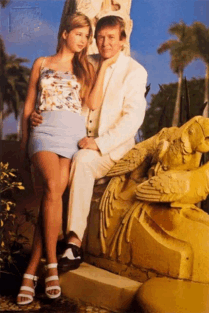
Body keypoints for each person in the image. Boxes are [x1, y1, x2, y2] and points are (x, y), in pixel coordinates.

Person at [30, 15, 148, 273]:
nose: (105, 43)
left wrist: (99, 143)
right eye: (101, 38)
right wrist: (38, 112)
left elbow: (133, 119)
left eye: (111, 38)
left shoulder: (135, 72)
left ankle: (73, 242)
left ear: (123, 41)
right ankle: (44, 252)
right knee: (53, 184)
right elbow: (56, 90)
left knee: (82, 162)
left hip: (109, 147)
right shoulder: (86, 63)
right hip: (72, 139)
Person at [17, 12, 95, 305]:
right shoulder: (42, 63)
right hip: (44, 130)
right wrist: (25, 143)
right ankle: (51, 266)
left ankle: (30, 272)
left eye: (87, 36)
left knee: (52, 198)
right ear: (65, 33)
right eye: (79, 34)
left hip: (71, 135)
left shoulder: (85, 68)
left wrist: (108, 63)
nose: (83, 40)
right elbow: (28, 106)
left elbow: (93, 103)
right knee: (52, 186)